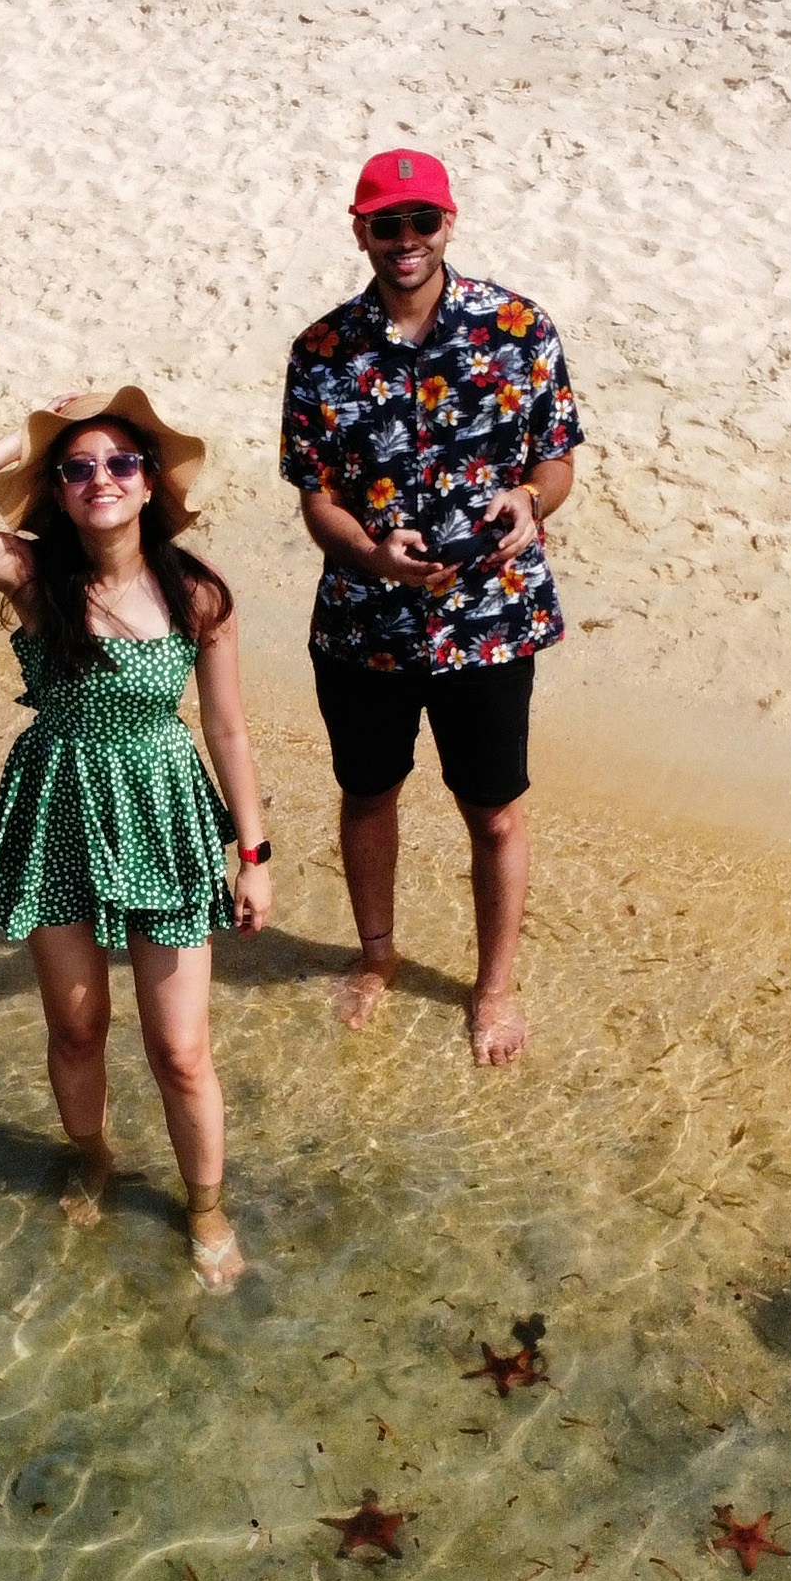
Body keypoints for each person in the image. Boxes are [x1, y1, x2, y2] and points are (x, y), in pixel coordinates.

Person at [0, 389, 275, 1289]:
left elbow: (229, 732)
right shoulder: (31, 576)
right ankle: (91, 1154)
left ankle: (205, 1208)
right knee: (79, 1025)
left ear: (149, 486)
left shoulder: (200, 592)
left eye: (120, 464)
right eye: (78, 468)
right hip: (58, 807)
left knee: (180, 1050)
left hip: (167, 815)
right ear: (58, 490)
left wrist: (252, 855)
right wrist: (7, 445)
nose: (102, 479)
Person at [280, 147, 583, 1067]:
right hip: (364, 628)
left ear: (448, 223)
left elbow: (558, 458)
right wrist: (372, 554)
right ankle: (379, 957)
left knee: (492, 811)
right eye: (386, 224)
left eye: (421, 221)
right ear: (360, 230)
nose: (405, 240)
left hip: (490, 621)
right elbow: (315, 498)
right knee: (368, 795)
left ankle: (492, 987)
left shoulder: (519, 327)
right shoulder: (321, 351)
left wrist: (531, 502)